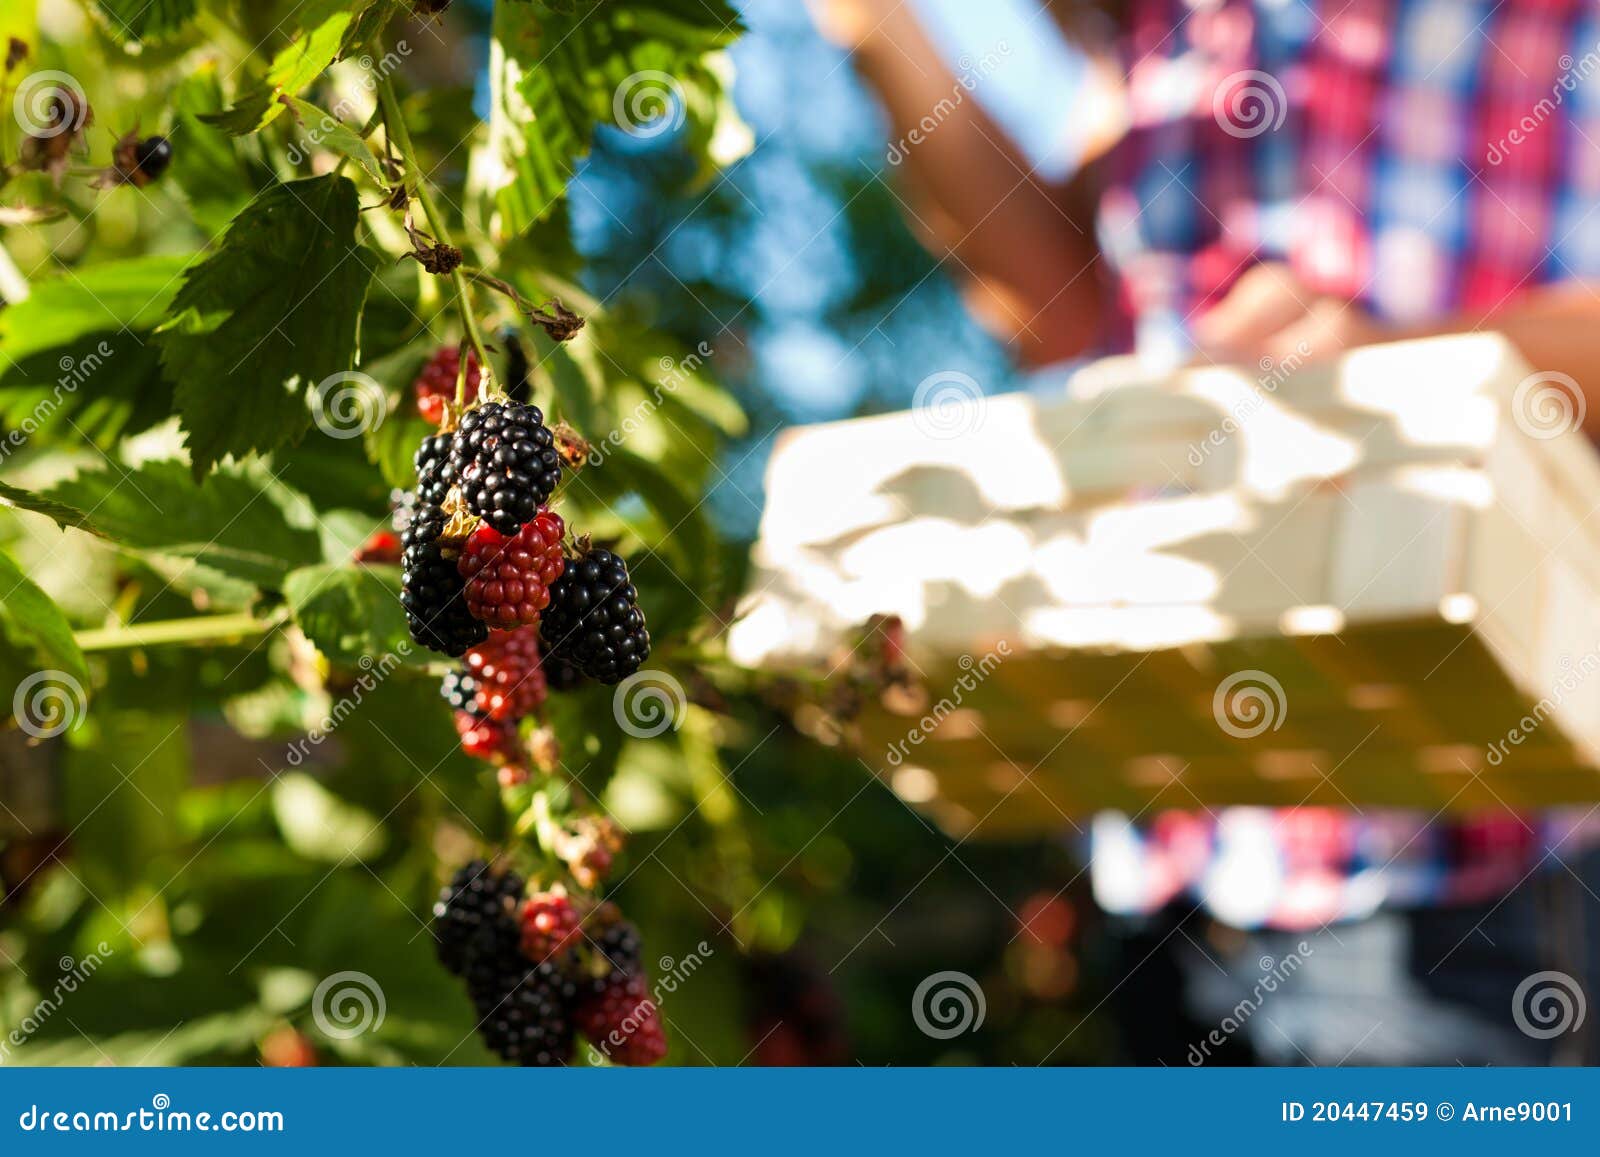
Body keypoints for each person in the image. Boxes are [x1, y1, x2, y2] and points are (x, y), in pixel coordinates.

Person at [811, 0, 1600, 1064]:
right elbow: (1065, 309)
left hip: (1448, 851)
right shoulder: (1174, 25)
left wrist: (1397, 361)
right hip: (1167, 841)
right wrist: (874, 25)